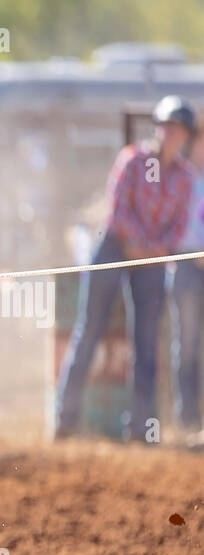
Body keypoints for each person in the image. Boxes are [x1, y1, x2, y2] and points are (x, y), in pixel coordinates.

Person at [54, 95, 196, 440]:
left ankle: (141, 429)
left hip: (151, 257)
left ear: (185, 136)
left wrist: (152, 249)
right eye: (167, 127)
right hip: (116, 246)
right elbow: (118, 212)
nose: (172, 134)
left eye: (178, 130)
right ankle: (65, 420)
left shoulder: (186, 178)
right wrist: (139, 245)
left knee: (146, 343)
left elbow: (178, 228)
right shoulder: (132, 160)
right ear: (159, 129)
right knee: (89, 329)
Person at [169, 129, 204, 434]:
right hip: (186, 267)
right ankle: (188, 418)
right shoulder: (180, 179)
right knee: (188, 344)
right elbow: (173, 223)